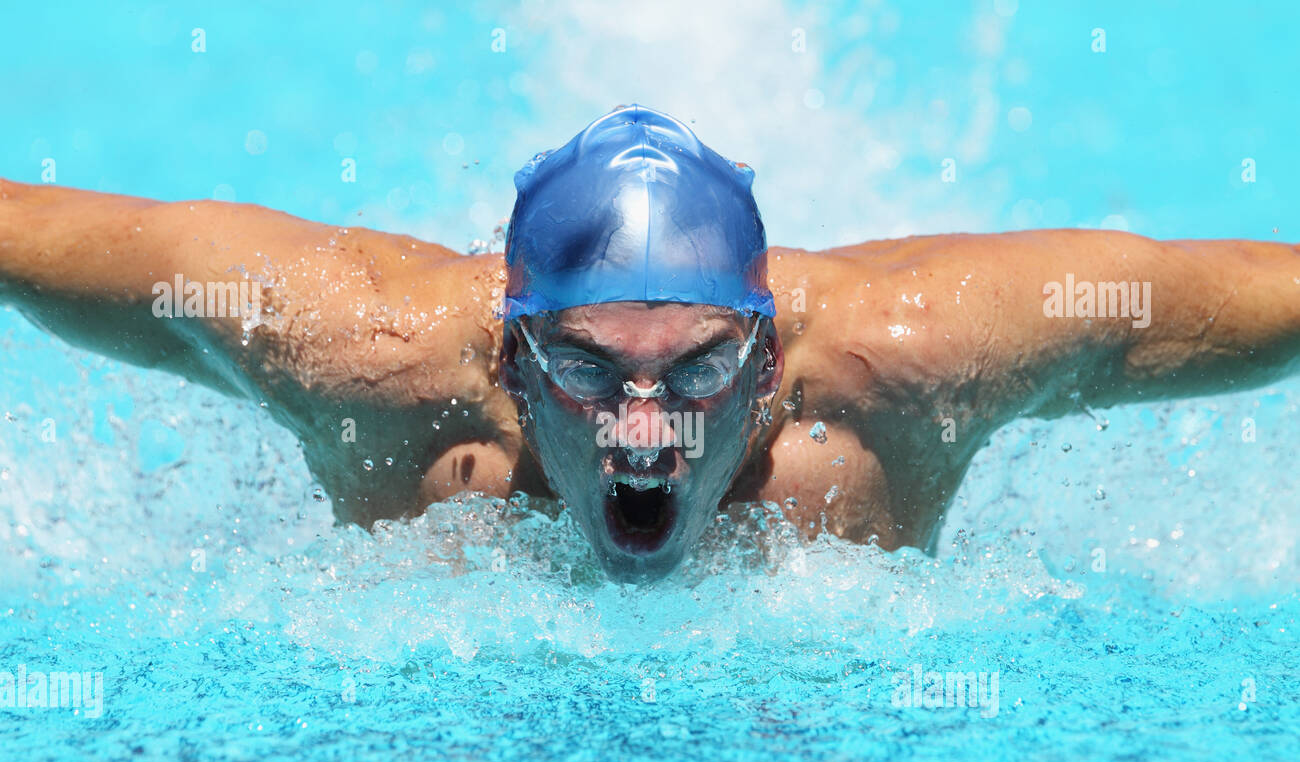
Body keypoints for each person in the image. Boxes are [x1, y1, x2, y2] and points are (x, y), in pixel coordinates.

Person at [2, 104, 1298, 581]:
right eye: (585, 368)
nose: (644, 426)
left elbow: (1229, 295)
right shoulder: (364, 355)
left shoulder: (915, 360)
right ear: (508, 359)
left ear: (772, 359)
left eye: (695, 370)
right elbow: (48, 237)